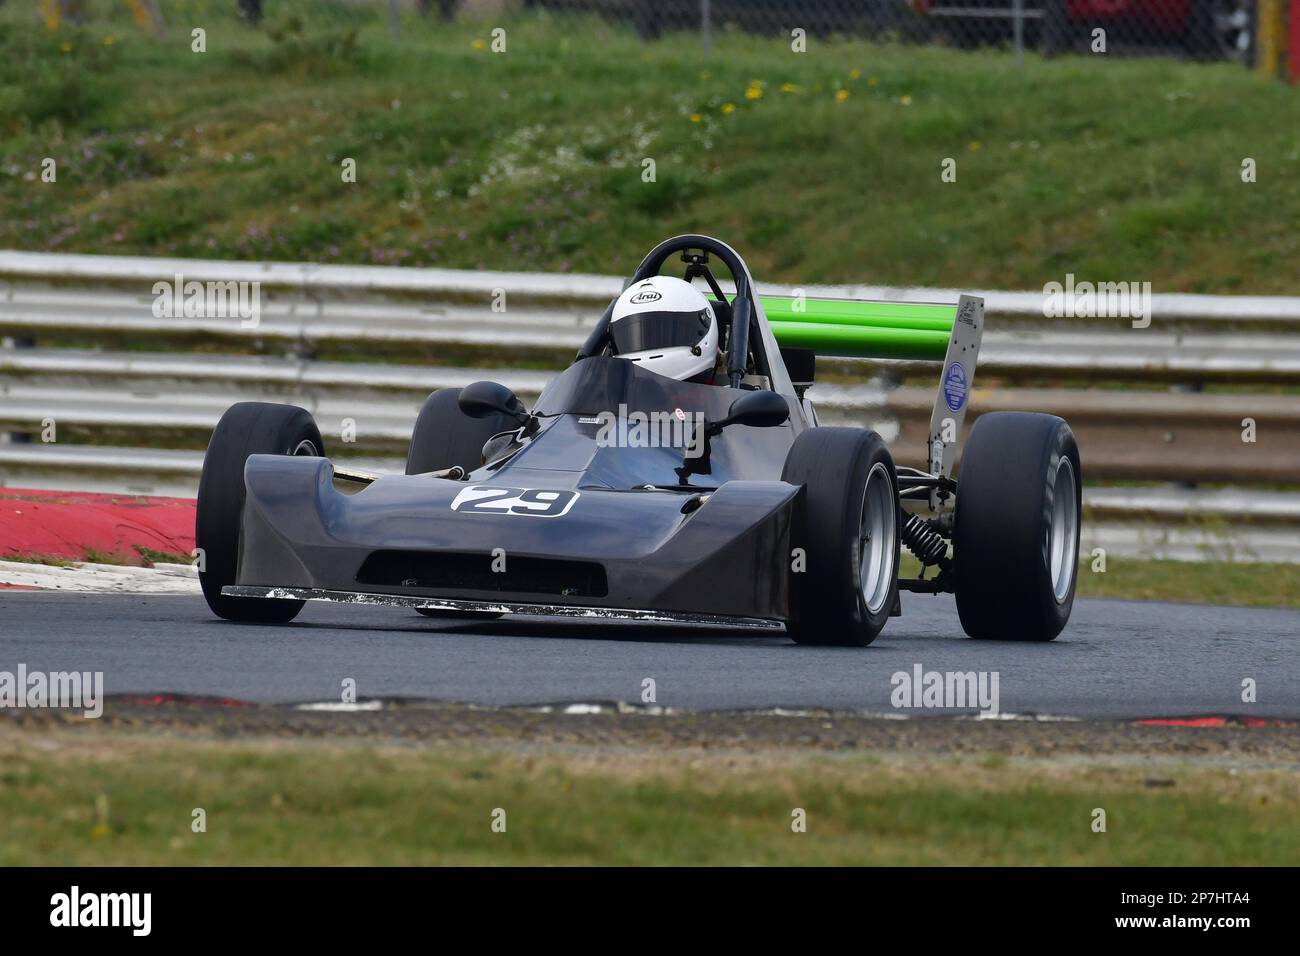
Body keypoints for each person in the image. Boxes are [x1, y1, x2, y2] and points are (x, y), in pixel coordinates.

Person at [607, 276, 721, 384]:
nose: (648, 340)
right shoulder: (609, 397)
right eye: (632, 334)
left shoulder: (726, 399)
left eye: (658, 333)